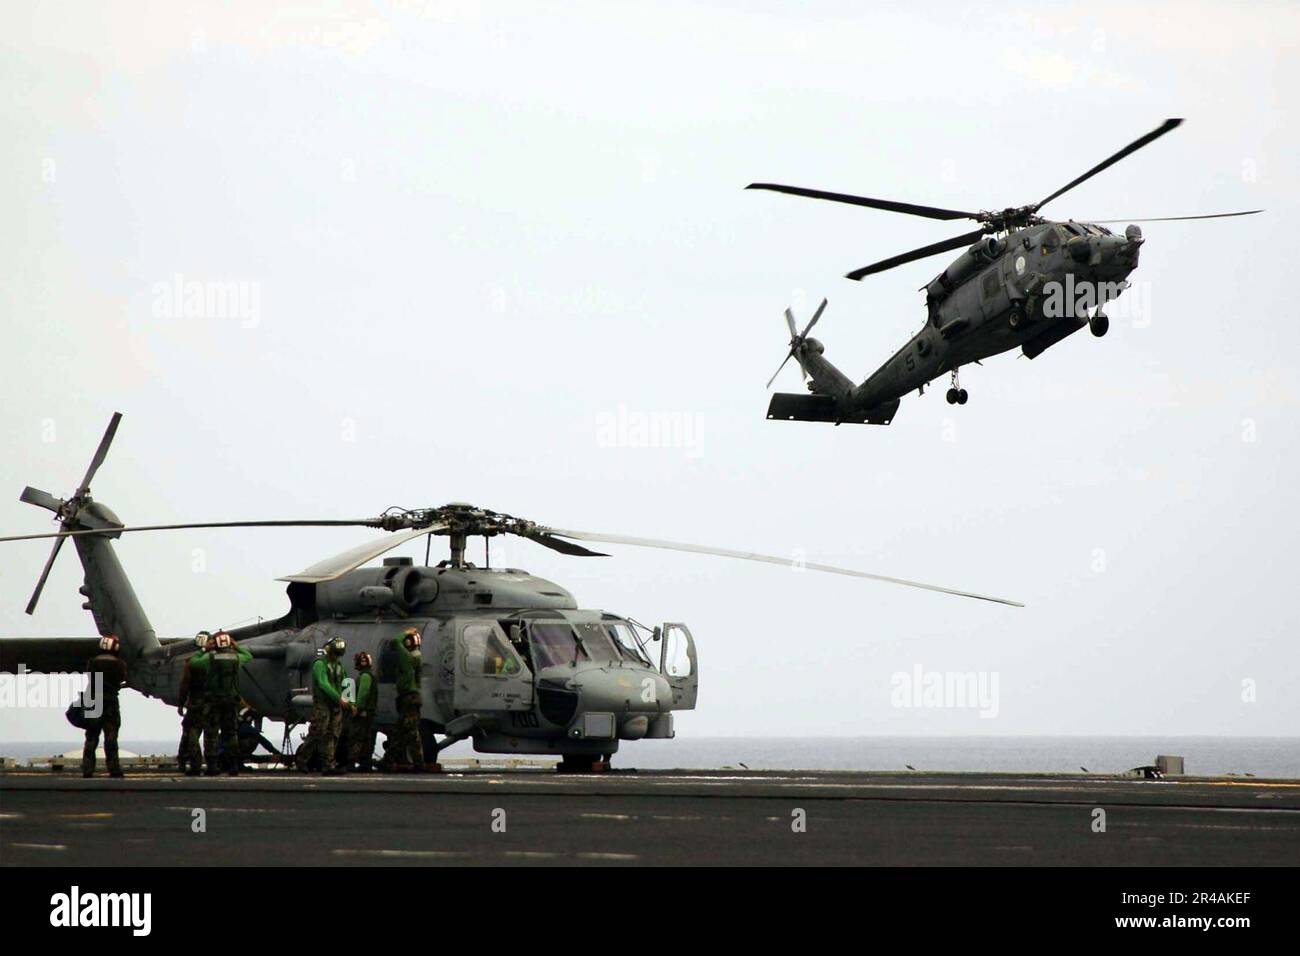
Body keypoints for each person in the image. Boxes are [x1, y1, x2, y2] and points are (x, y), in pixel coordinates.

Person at [296, 637, 354, 775]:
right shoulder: (319, 664)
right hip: (323, 705)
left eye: (338, 654)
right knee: (318, 732)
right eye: (335, 653)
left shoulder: (339, 666)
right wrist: (340, 699)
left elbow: (347, 682)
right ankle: (302, 760)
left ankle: (329, 765)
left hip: (335, 705)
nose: (336, 656)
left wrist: (351, 703)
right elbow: (323, 684)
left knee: (333, 734)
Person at [82, 635, 127, 778]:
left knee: (91, 737)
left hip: (94, 701)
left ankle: (88, 769)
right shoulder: (120, 664)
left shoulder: (92, 663)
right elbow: (122, 678)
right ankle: (114, 768)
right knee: (111, 737)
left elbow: (90, 678)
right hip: (110, 701)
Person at [207, 631, 251, 776]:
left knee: (212, 733)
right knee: (231, 733)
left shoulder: (211, 658)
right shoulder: (236, 658)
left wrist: (204, 649)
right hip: (231, 702)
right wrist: (236, 646)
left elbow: (195, 662)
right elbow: (248, 656)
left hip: (215, 701)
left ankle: (212, 767)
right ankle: (234, 766)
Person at [176, 631, 211, 776]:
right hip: (210, 703)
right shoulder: (213, 660)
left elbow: (185, 685)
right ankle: (212, 765)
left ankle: (187, 762)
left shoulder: (192, 661)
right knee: (210, 735)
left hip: (195, 703)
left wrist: (181, 703)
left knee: (189, 733)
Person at [391, 627, 425, 772]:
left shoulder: (408, 657)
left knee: (411, 732)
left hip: (408, 698)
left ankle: (419, 763)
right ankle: (388, 760)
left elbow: (395, 642)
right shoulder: (417, 655)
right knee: (400, 731)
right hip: (412, 697)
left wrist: (406, 632)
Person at [348, 651, 379, 771]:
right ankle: (366, 763)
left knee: (357, 737)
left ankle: (351, 763)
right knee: (367, 739)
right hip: (369, 713)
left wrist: (357, 707)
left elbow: (363, 693)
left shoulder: (365, 677)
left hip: (363, 713)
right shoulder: (369, 675)